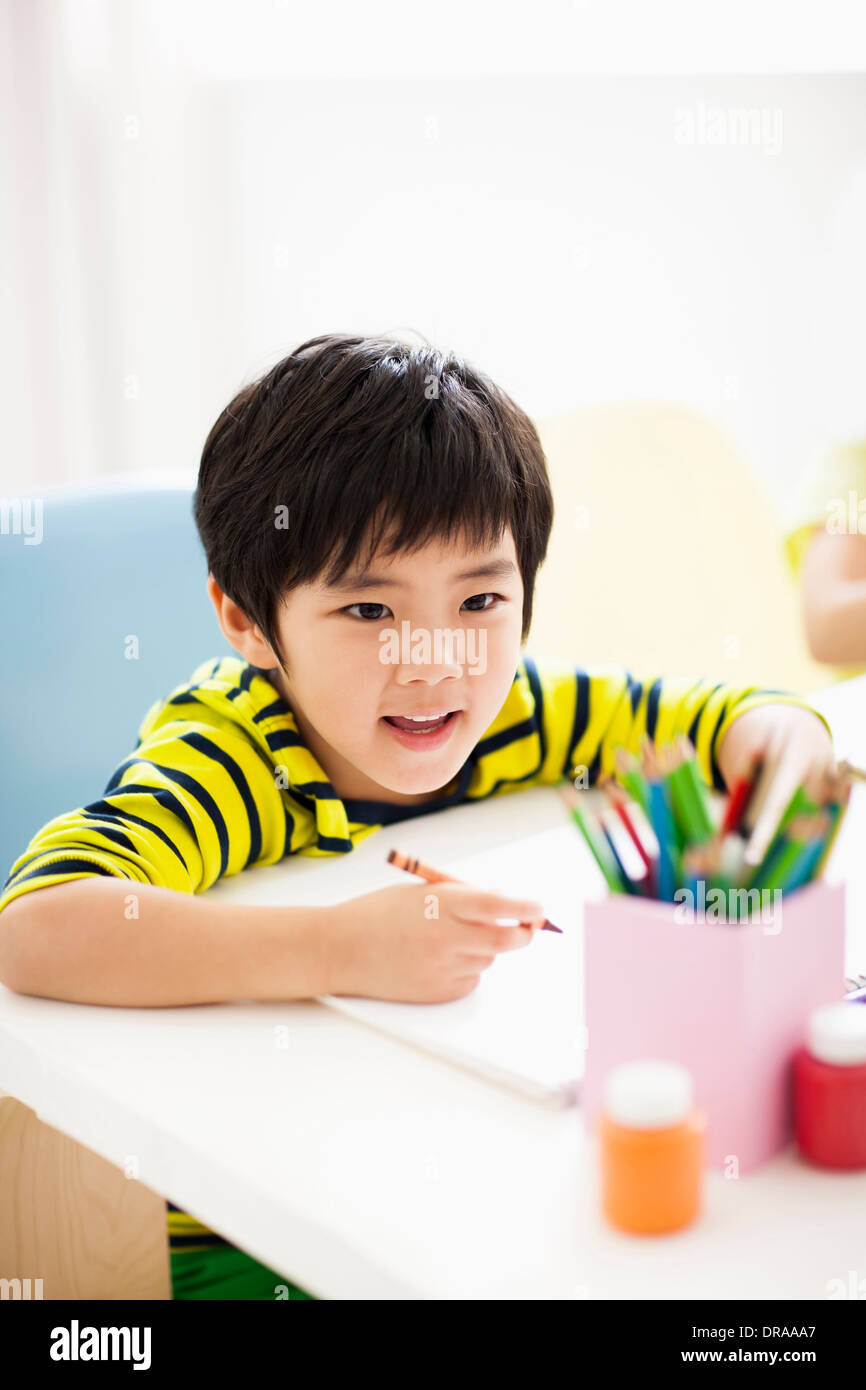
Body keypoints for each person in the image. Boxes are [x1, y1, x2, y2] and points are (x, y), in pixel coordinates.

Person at [0, 332, 835, 1299]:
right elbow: (40, 927)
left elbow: (730, 719)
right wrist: (337, 949)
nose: (435, 661)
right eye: (369, 613)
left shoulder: (521, 709)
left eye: (480, 597)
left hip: (453, 1187)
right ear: (246, 621)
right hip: (241, 1239)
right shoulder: (233, 756)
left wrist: (784, 741)